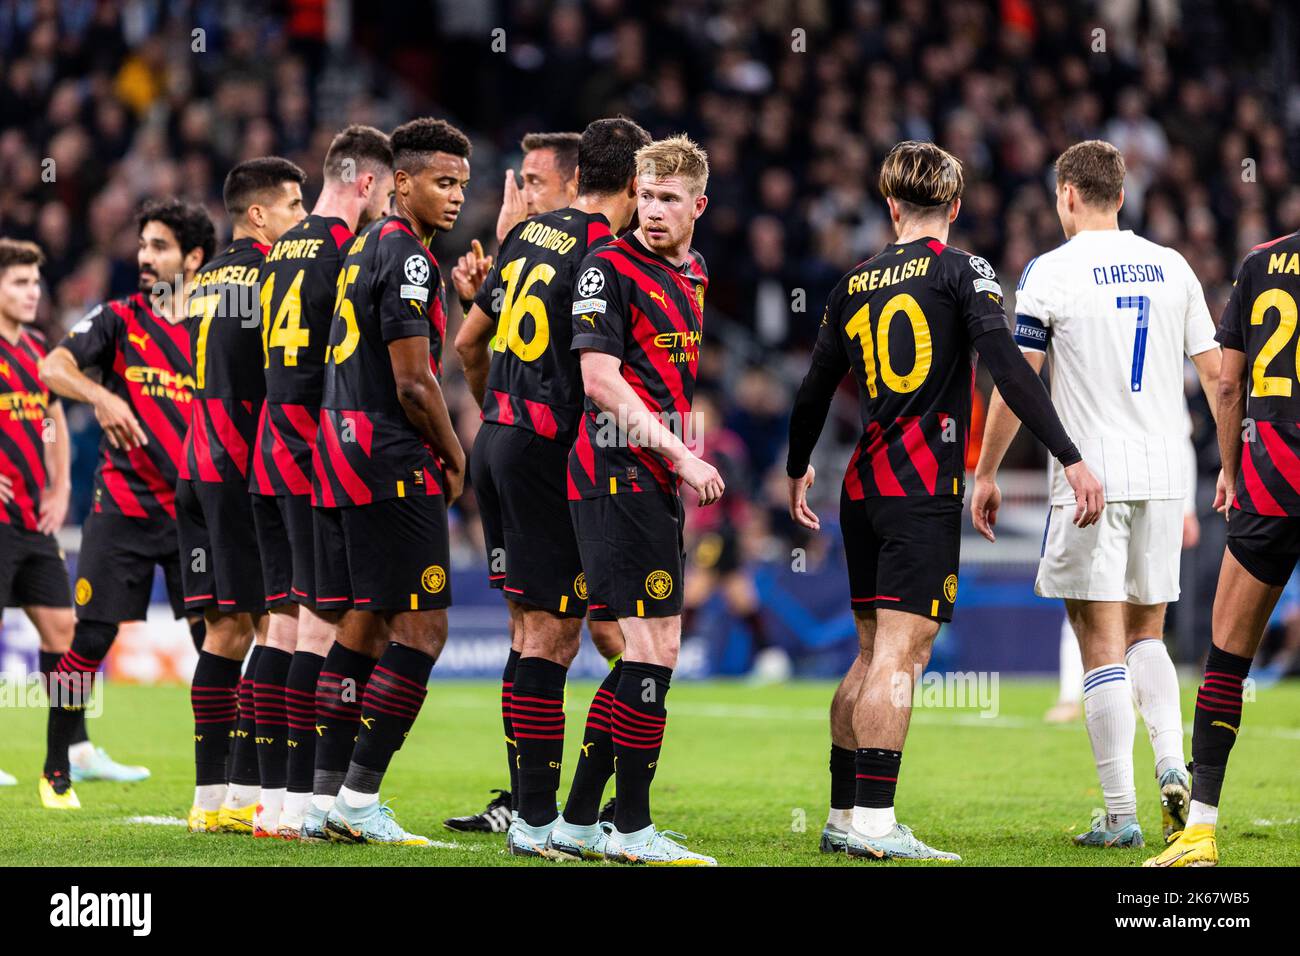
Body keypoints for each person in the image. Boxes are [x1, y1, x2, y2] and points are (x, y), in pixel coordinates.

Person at [786, 140, 1103, 860]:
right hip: (920, 489)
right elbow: (1011, 372)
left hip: (860, 488)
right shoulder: (964, 272)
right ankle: (873, 823)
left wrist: (798, 464)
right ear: (955, 207)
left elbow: (812, 390)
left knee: (869, 655)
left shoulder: (853, 282)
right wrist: (1070, 454)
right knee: (902, 656)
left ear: (891, 206)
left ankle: (842, 816)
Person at [973, 140, 1222, 849]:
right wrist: (1228, 464)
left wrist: (987, 471)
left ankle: (1120, 815)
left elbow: (1017, 380)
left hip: (1090, 478)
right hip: (1166, 476)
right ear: (1122, 193)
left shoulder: (1051, 271)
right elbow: (1219, 378)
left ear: (1068, 196)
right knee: (1151, 632)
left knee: (1099, 643)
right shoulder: (1173, 267)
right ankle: (1172, 761)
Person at [453, 116, 649, 856]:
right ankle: (543, 820)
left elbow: (470, 343)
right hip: (549, 452)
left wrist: (499, 409)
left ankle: (534, 807)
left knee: (533, 628)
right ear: (635, 182)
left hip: (499, 437)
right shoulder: (609, 252)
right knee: (556, 635)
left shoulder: (526, 239)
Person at [306, 117, 469, 846]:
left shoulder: (364, 246)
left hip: (340, 453)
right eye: (442, 181)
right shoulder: (406, 256)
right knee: (425, 630)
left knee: (365, 625)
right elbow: (413, 381)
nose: (456, 196)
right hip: (391, 461)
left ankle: (321, 797)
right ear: (400, 182)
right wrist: (455, 453)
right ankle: (361, 797)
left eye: (462, 183)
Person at [562, 134, 724, 865]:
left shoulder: (694, 274)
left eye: (668, 199)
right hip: (615, 469)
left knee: (641, 653)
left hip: (649, 477)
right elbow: (600, 379)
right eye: (645, 195)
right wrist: (683, 452)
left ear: (698, 205)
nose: (652, 211)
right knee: (656, 649)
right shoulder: (608, 267)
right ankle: (631, 830)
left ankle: (575, 821)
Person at [38, 199, 215, 809]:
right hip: (123, 509)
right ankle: (56, 766)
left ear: (193, 259)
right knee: (89, 640)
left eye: (160, 246)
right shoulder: (117, 320)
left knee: (215, 641)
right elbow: (52, 365)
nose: (145, 257)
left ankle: (224, 781)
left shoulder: (219, 326)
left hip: (196, 513)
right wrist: (101, 398)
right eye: (143, 245)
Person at [251, 125, 394, 839]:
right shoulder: (344, 252)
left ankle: (271, 801)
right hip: (313, 457)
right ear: (366, 183)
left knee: (282, 622)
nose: (384, 208)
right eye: (386, 192)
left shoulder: (279, 249)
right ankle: (309, 803)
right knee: (319, 628)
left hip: (268, 453)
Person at [1147, 226, 1300, 867]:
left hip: (1273, 474)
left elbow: (1229, 386)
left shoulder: (1262, 262)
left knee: (1227, 655)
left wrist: (1233, 470)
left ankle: (1202, 829)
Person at [179, 157, 307, 835]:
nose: (303, 218)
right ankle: (263, 795)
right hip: (242, 463)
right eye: (293, 205)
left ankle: (215, 798)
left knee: (226, 629)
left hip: (197, 461)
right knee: (275, 621)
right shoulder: (270, 272)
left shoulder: (204, 279)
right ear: (259, 214)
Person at [0, 238, 146, 795]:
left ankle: (76, 749)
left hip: (32, 521)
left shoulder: (37, 349)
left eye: (35, 282)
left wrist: (60, 483)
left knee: (65, 631)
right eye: (18, 282)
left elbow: (52, 419)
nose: (31, 291)